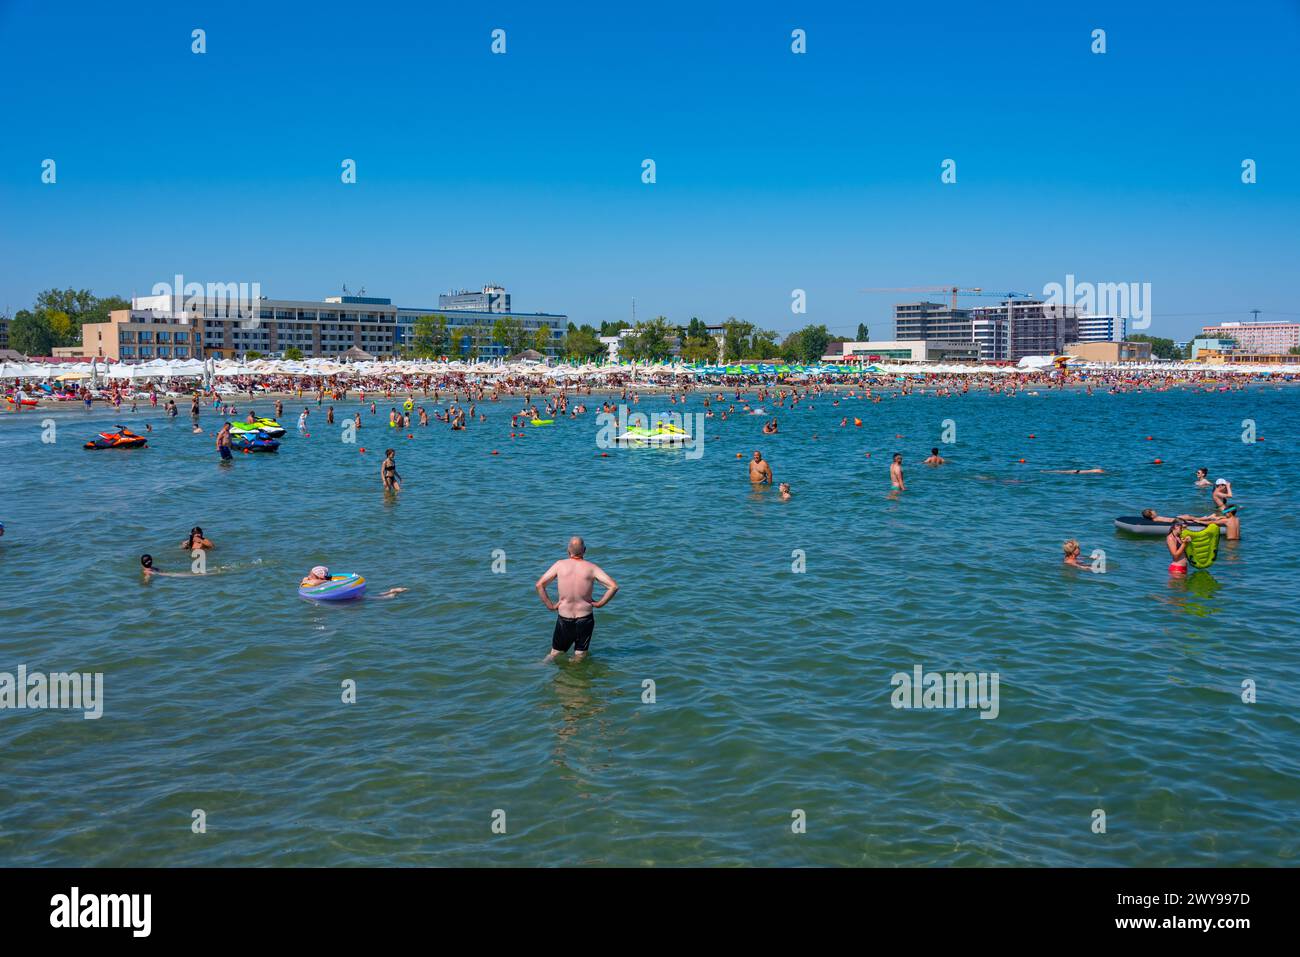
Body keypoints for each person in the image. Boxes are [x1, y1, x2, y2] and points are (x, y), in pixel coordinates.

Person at [536, 536, 618, 663]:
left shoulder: (559, 565)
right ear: (584, 550)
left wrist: (550, 606)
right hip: (584, 618)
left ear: (568, 551)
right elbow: (613, 586)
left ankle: (540, 667)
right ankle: (574, 679)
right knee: (580, 655)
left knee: (555, 653)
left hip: (564, 617)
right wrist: (600, 603)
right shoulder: (592, 568)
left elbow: (539, 585)